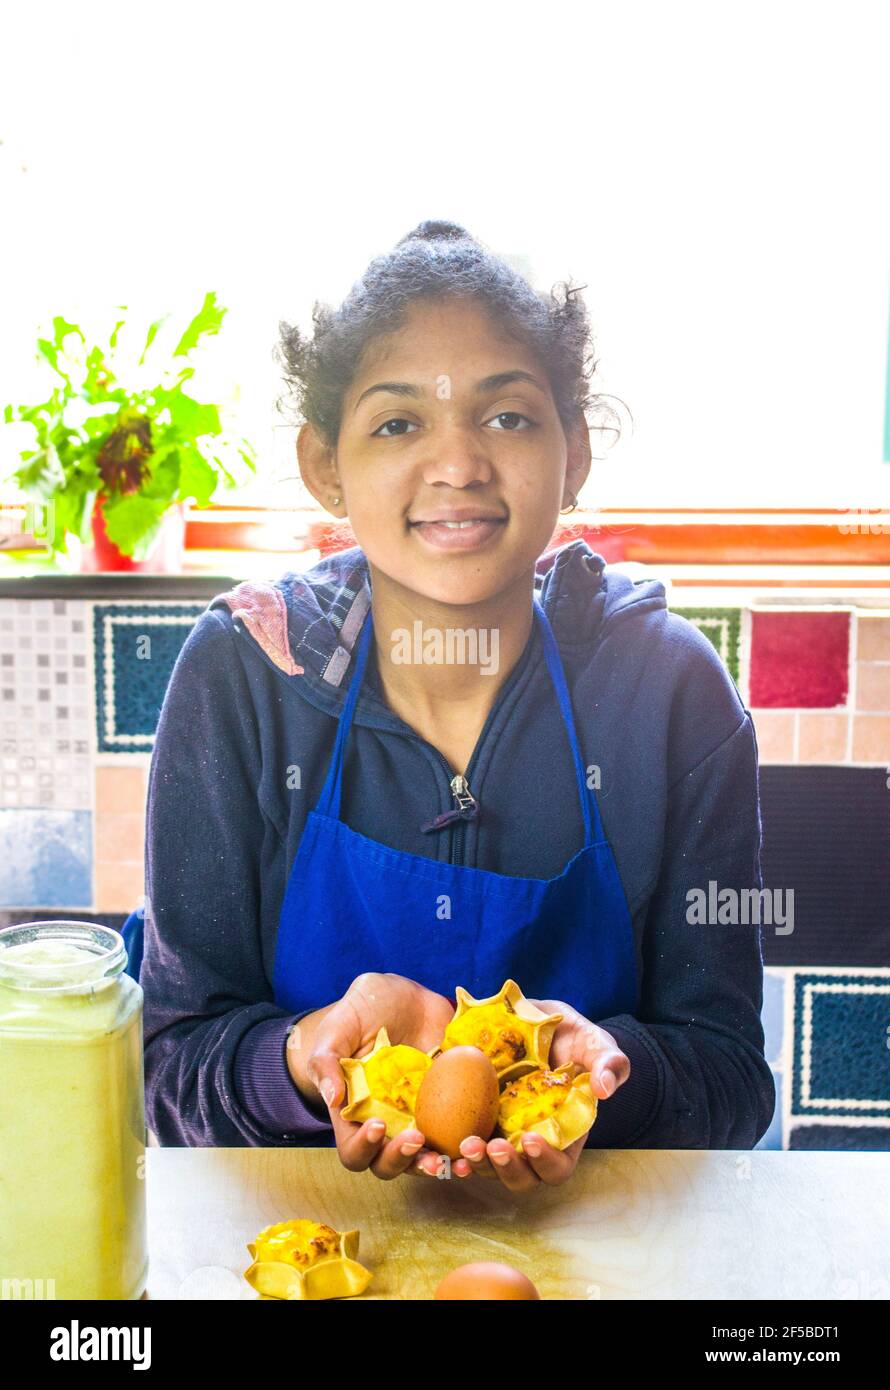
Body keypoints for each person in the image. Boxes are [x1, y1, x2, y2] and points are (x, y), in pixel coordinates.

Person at [141, 220, 774, 1192]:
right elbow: (167, 1072)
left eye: (509, 417)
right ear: (325, 464)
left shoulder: (671, 691)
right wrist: (305, 1059)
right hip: (291, 1249)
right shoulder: (242, 677)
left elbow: (732, 1080)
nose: (458, 465)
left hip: (602, 1254)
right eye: (397, 423)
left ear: (574, 452)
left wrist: (608, 1077)